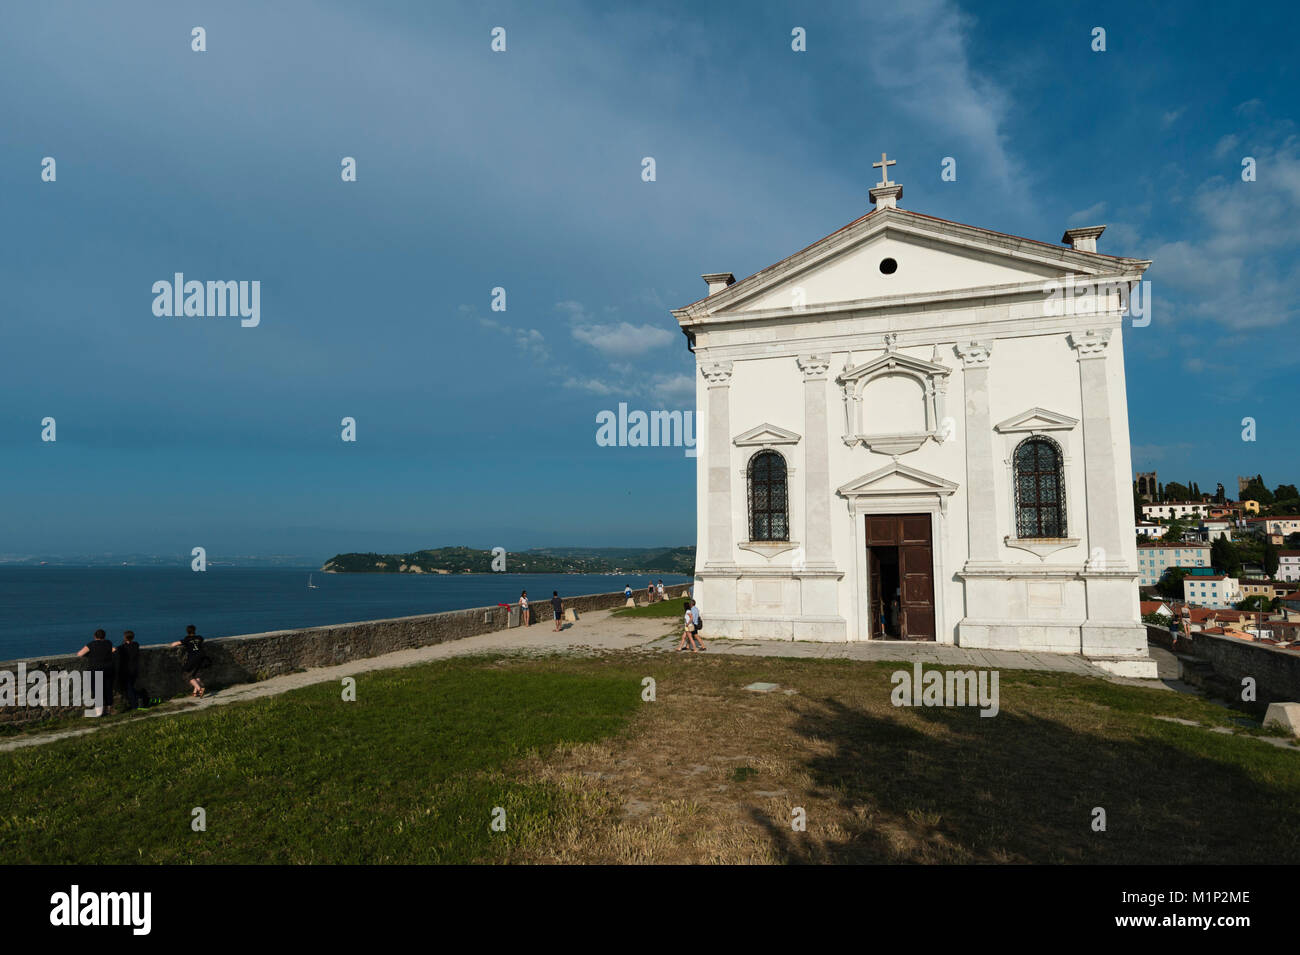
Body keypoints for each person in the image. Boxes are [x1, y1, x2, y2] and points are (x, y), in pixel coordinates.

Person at [76, 629, 115, 716]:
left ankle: (99, 712)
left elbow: (80, 654)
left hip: (96, 669)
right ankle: (108, 710)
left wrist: (90, 654)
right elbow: (113, 650)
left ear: (94, 636)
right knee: (108, 689)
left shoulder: (91, 644)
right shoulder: (108, 643)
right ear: (104, 636)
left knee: (98, 691)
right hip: (108, 669)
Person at [169, 625, 207, 697]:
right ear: (195, 630)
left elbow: (175, 644)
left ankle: (199, 689)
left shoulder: (187, 639)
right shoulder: (200, 637)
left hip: (193, 658)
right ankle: (195, 693)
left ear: (187, 631)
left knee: (186, 675)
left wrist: (171, 645)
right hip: (202, 657)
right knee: (197, 675)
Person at [117, 630, 141, 710]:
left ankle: (134, 705)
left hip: (126, 670)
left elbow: (117, 650)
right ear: (133, 637)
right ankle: (138, 700)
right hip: (135, 669)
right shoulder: (136, 645)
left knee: (129, 688)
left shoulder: (121, 648)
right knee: (131, 686)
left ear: (124, 637)